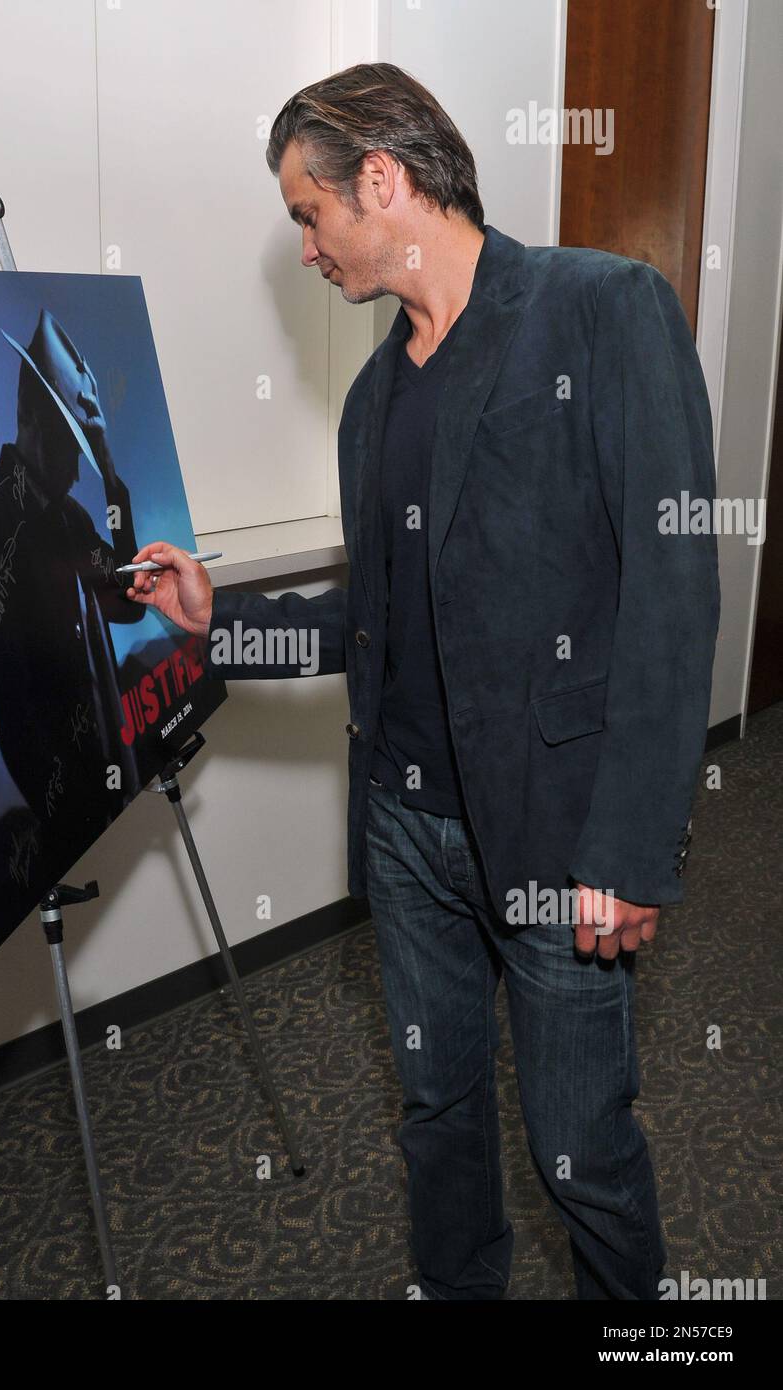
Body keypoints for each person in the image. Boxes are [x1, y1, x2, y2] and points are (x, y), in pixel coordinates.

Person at [124, 63, 720, 1301]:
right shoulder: (372, 402)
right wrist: (212, 620)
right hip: (405, 837)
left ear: (381, 181)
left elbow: (673, 597)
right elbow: (373, 623)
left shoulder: (603, 310)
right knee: (436, 1121)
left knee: (581, 1158)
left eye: (308, 212)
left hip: (557, 840)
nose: (305, 247)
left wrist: (631, 848)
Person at [0, 309, 144, 841]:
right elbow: (9, 684)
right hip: (69, 798)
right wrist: (59, 804)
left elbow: (128, 604)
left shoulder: (74, 517)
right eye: (72, 442)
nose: (79, 466)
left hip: (112, 772)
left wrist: (113, 483)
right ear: (32, 418)